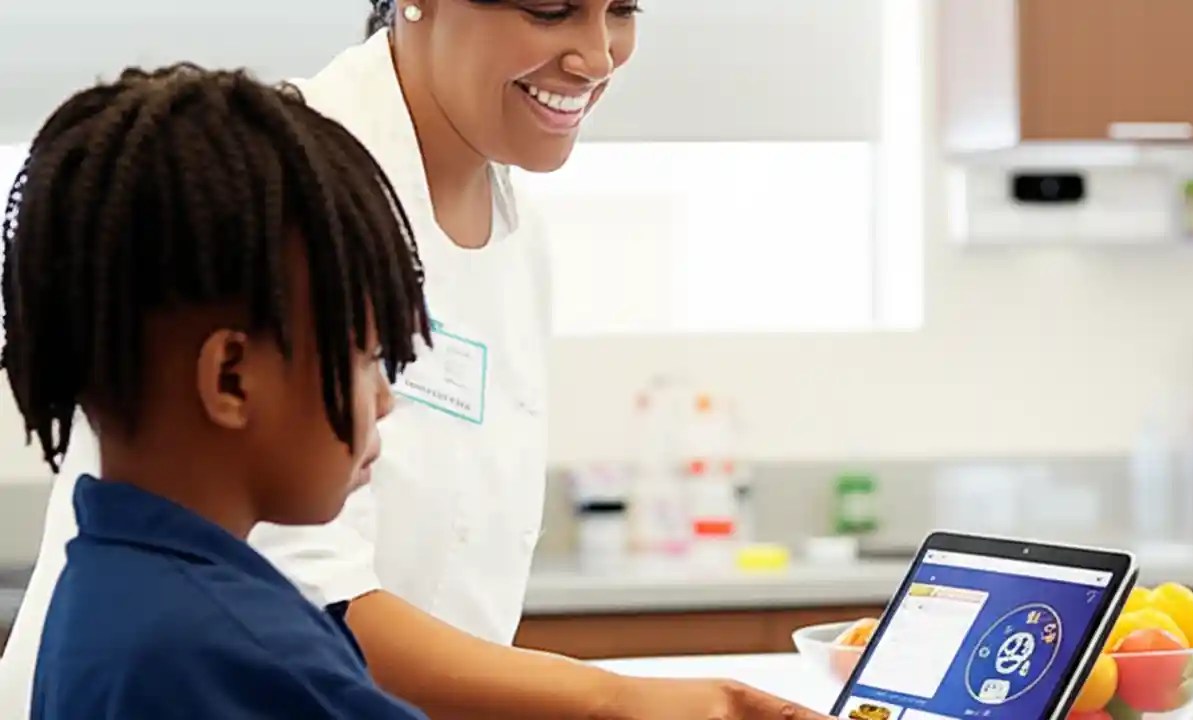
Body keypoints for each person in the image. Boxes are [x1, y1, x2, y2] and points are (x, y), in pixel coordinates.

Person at [0, 2, 827, 718]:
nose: (598, 53)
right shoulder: (285, 190)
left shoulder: (516, 221)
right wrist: (617, 701)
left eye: (622, 8)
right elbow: (309, 597)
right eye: (547, 9)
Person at [3, 64, 432, 719]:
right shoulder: (247, 657)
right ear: (232, 378)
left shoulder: (101, 591)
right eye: (369, 358)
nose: (383, 401)